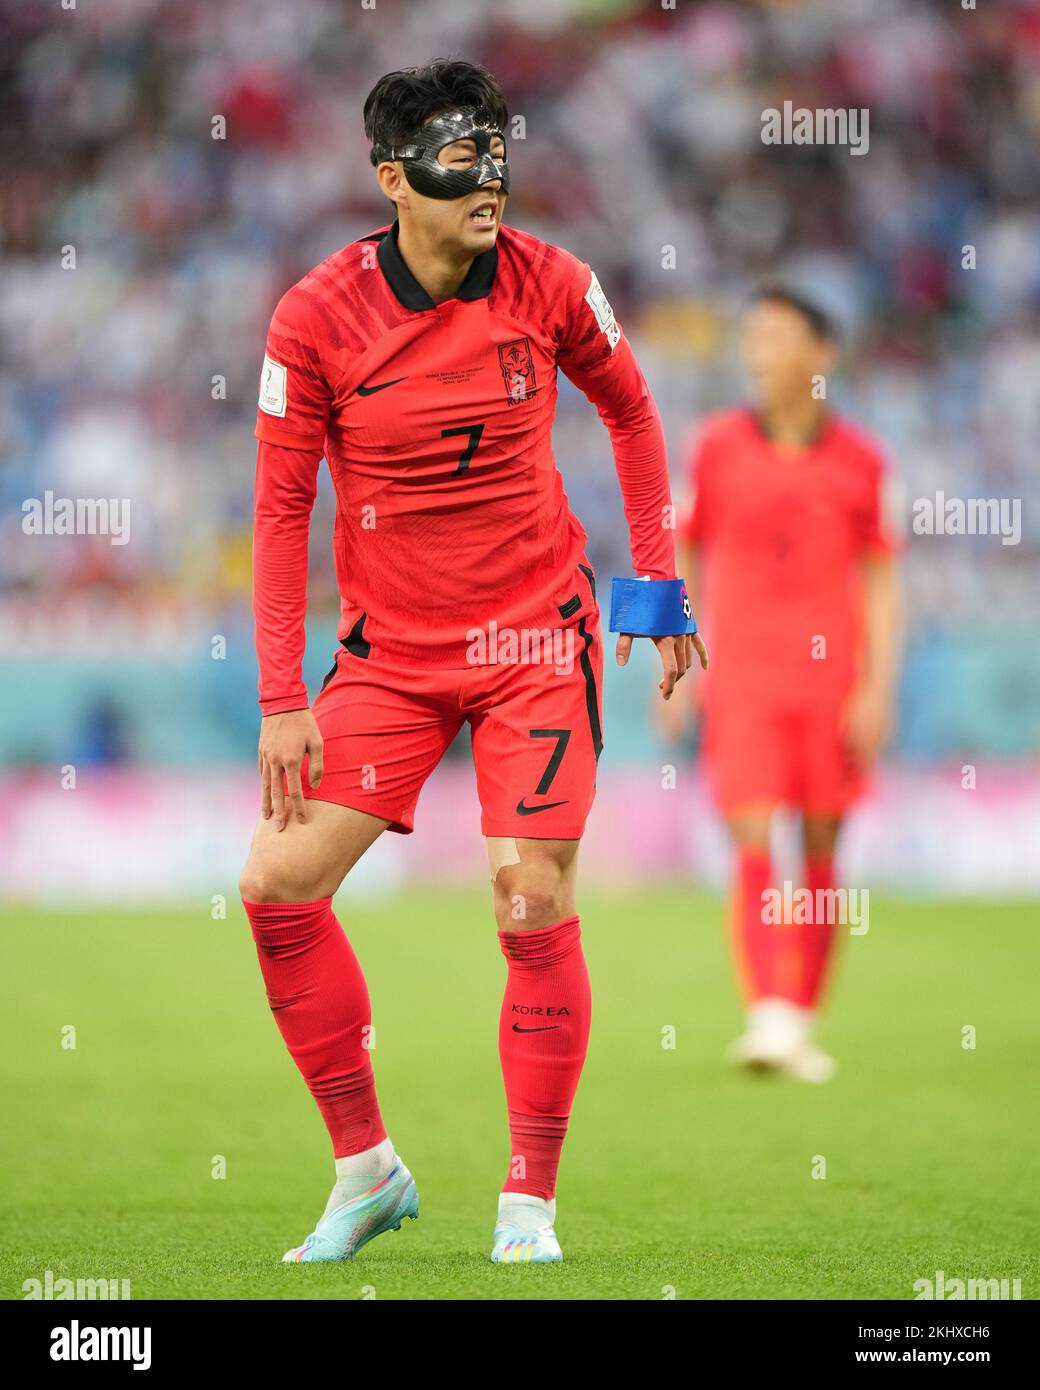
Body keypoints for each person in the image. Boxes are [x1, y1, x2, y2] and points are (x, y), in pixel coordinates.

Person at [238, 59, 707, 1265]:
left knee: (529, 899)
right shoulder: (313, 317)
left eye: (495, 147)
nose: (487, 174)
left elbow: (633, 413)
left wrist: (653, 589)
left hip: (529, 644)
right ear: (392, 178)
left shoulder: (553, 283)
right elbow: (281, 506)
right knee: (278, 885)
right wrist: (281, 696)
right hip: (387, 656)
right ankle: (367, 1170)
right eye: (458, 153)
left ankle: (526, 1209)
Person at [663, 289, 901, 1082]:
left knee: (825, 846)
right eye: (753, 336)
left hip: (834, 682)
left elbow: (881, 582)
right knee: (756, 835)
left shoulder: (863, 461)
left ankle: (800, 1017)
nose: (759, 352)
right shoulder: (717, 447)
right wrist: (678, 656)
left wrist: (877, 685)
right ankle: (767, 1012)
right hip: (747, 680)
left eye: (776, 337)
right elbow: (683, 552)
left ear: (821, 355)